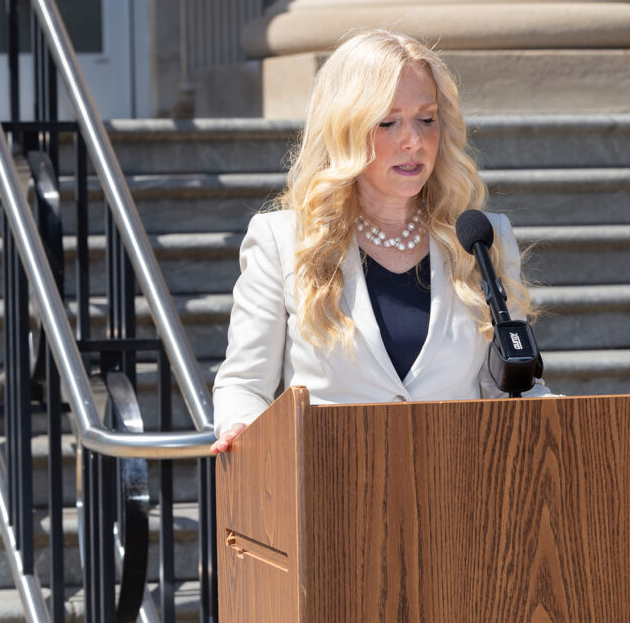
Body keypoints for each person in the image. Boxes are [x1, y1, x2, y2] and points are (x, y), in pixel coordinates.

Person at [210, 29, 550, 454]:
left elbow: (513, 391)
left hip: (458, 496)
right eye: (388, 122)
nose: (414, 141)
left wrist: (569, 429)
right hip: (328, 494)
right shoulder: (283, 241)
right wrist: (243, 429)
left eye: (427, 120)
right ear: (343, 130)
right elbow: (244, 384)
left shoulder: (483, 239)